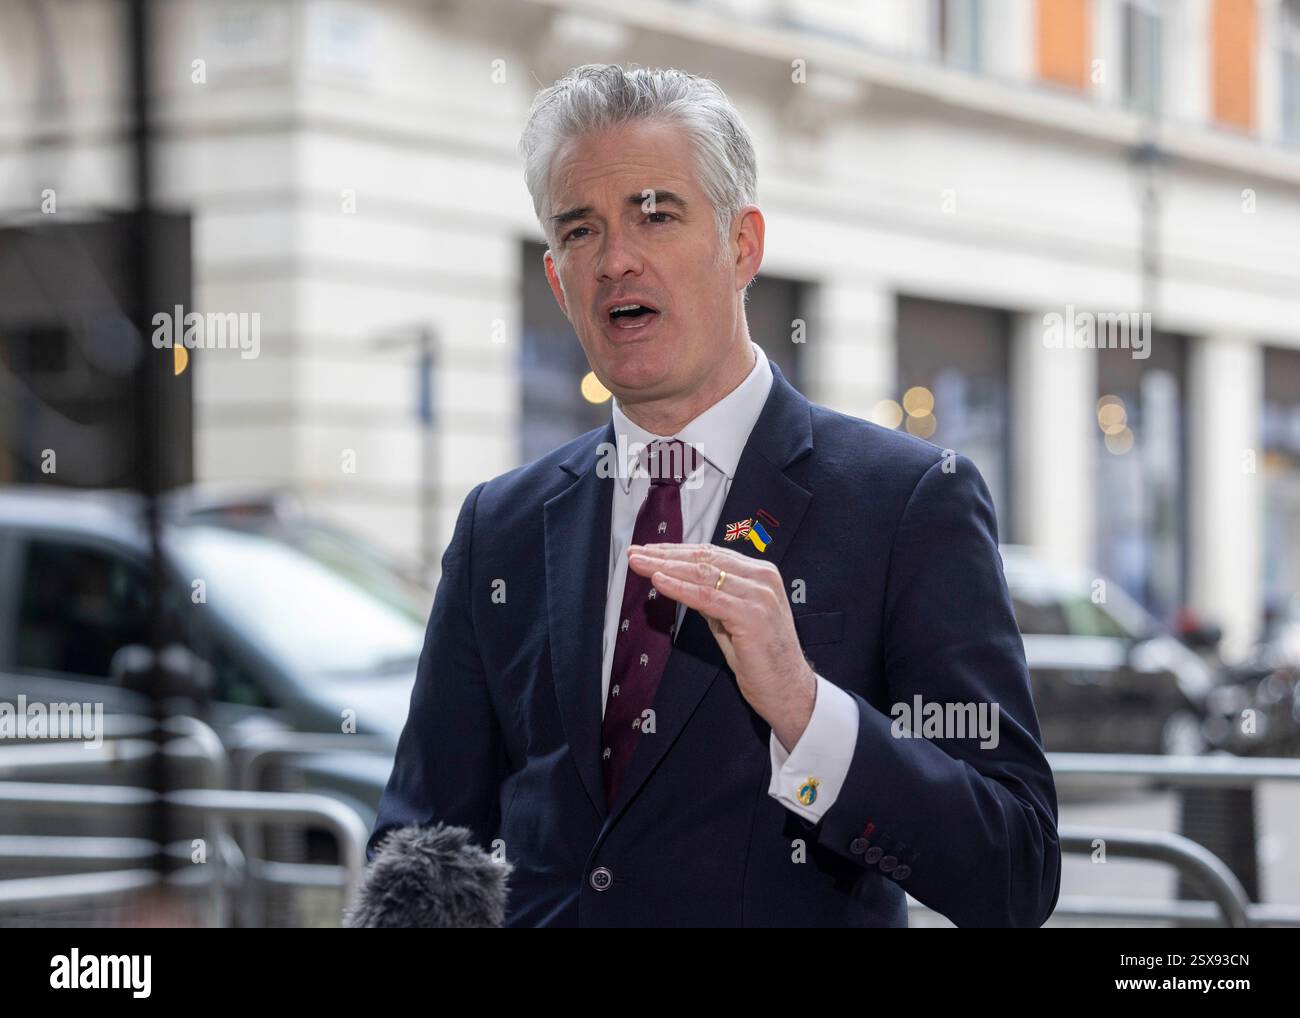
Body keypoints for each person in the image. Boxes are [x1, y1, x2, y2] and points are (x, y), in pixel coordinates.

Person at [368, 64, 1060, 927]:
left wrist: (807, 713)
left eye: (655, 214)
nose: (616, 258)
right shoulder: (499, 526)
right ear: (556, 279)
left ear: (743, 245)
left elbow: (1016, 873)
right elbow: (425, 844)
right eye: (581, 231)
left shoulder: (908, 502)